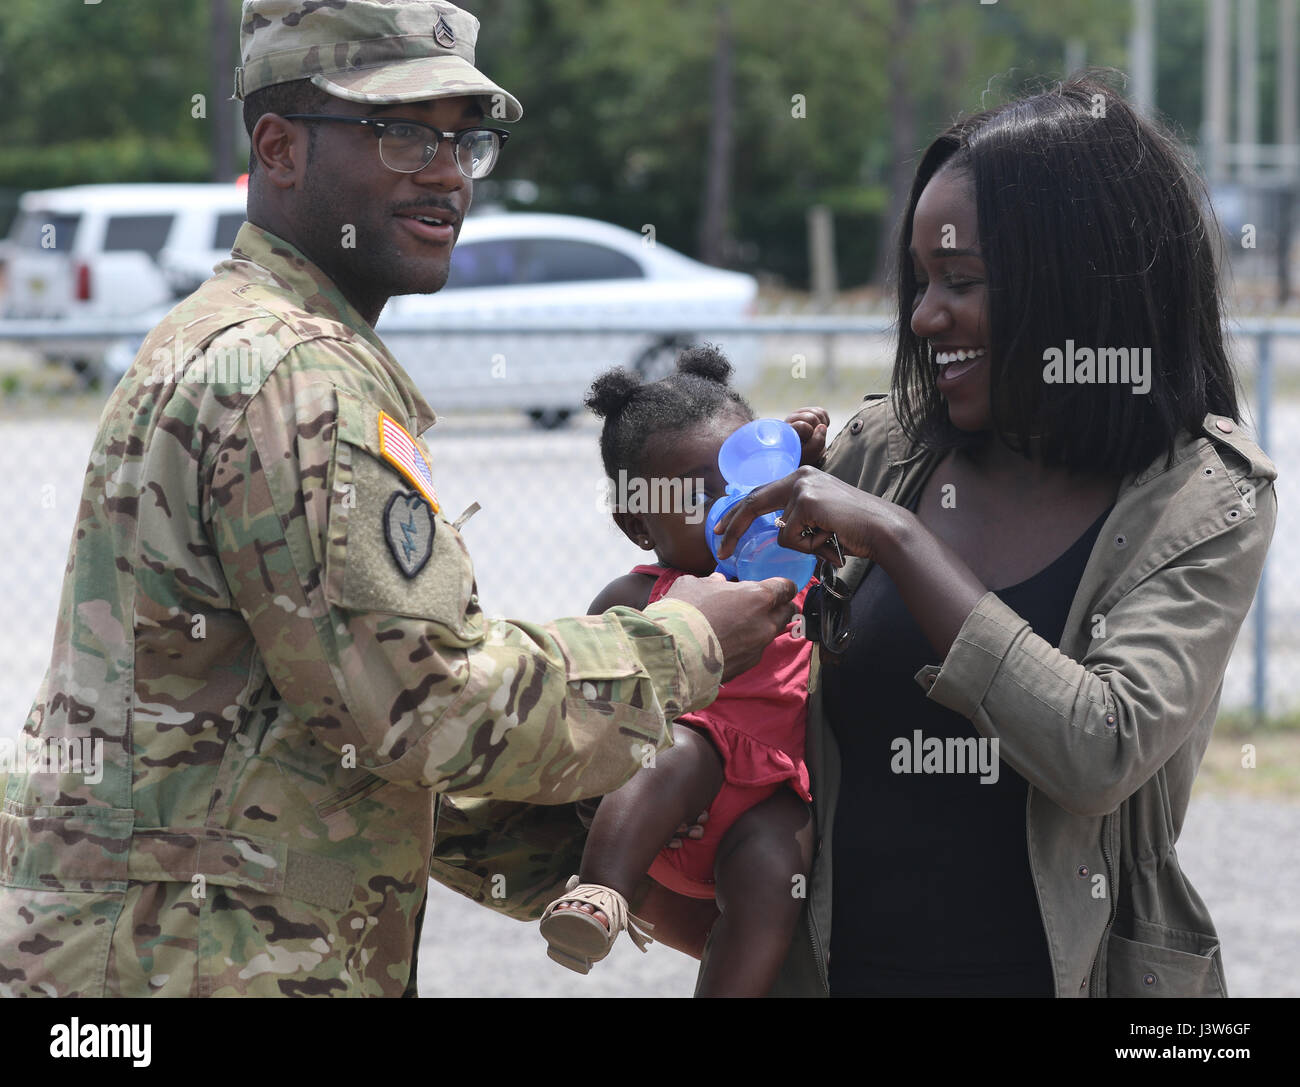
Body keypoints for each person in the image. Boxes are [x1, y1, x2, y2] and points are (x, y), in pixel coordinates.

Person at [0, 0, 797, 998]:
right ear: (279, 149)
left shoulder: (237, 338)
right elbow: (429, 708)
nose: (448, 171)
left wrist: (615, 870)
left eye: (467, 140)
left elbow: (353, 724)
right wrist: (688, 644)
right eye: (402, 131)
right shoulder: (295, 378)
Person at [712, 74, 1278, 997]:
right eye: (921, 281)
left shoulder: (1204, 497)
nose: (924, 316)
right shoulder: (879, 451)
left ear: (1080, 284)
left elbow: (1099, 748)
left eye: (962, 281)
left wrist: (901, 541)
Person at [536, 348, 815, 997]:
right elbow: (587, 710)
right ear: (638, 524)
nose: (735, 507)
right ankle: (603, 890)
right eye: (700, 496)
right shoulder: (637, 597)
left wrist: (814, 457)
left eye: (746, 483)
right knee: (681, 751)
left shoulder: (794, 575)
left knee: (774, 875)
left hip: (771, 800)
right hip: (667, 812)